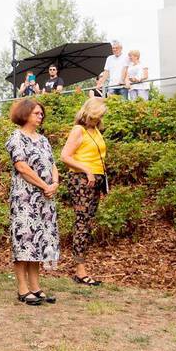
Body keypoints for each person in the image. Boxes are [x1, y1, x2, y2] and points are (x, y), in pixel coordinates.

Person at [7, 99, 60, 306]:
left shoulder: (44, 140)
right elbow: (22, 167)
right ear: (25, 114)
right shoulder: (16, 138)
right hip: (25, 199)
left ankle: (36, 287)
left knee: (39, 241)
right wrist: (43, 185)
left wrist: (54, 183)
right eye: (37, 113)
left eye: (41, 113)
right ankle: (22, 288)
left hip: (45, 199)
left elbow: (53, 163)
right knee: (24, 241)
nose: (40, 116)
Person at [59, 96, 107, 288]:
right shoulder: (78, 130)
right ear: (88, 113)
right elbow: (64, 156)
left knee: (88, 223)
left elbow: (99, 157)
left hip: (95, 181)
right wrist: (87, 170)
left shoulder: (95, 130)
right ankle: (80, 271)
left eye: (100, 117)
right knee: (82, 223)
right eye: (96, 116)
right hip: (81, 181)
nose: (97, 119)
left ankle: (82, 268)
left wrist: (101, 183)